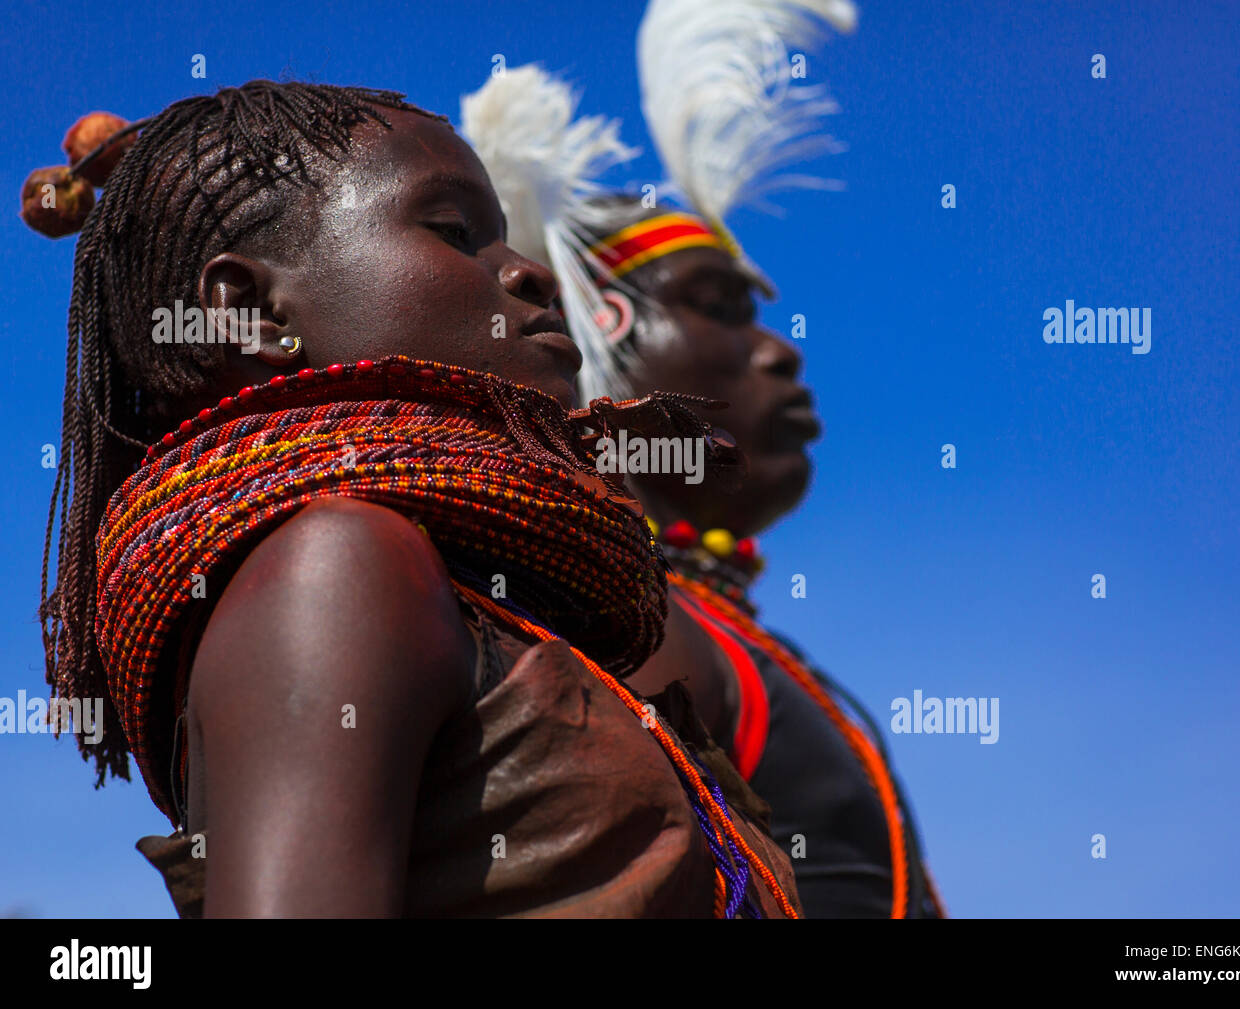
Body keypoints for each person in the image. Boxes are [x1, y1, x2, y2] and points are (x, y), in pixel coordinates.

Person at [32, 79, 800, 918]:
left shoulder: (453, 591)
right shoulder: (338, 561)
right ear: (250, 311)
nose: (531, 273)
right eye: (456, 233)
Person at [462, 0, 944, 918]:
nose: (780, 350)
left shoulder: (700, 623)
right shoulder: (618, 627)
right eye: (719, 304)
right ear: (592, 344)